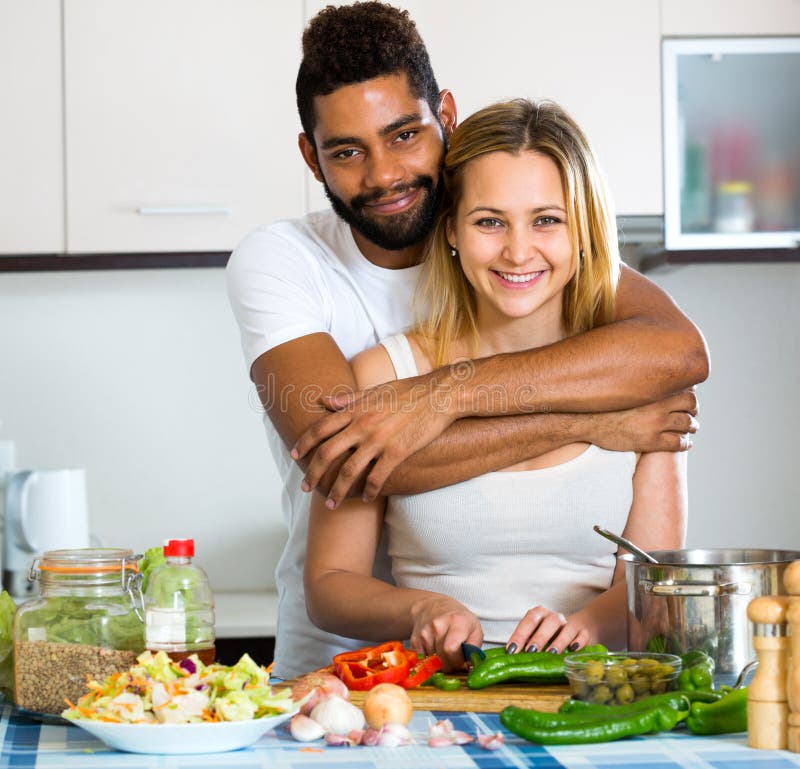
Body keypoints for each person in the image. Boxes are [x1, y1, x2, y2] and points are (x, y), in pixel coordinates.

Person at [226, 1, 706, 680]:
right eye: (346, 151)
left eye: (402, 135)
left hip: (580, 693)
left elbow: (680, 352)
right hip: (359, 673)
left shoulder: (556, 271)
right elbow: (350, 460)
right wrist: (596, 420)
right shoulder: (280, 263)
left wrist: (443, 398)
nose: (385, 174)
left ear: (443, 115)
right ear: (311, 156)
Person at [304, 98, 688, 669]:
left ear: (584, 231)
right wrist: (420, 609)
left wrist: (585, 628)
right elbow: (329, 584)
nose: (517, 250)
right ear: (452, 230)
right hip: (430, 702)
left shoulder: (643, 382)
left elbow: (657, 584)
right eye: (489, 221)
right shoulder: (385, 376)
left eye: (547, 219)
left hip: (598, 699)